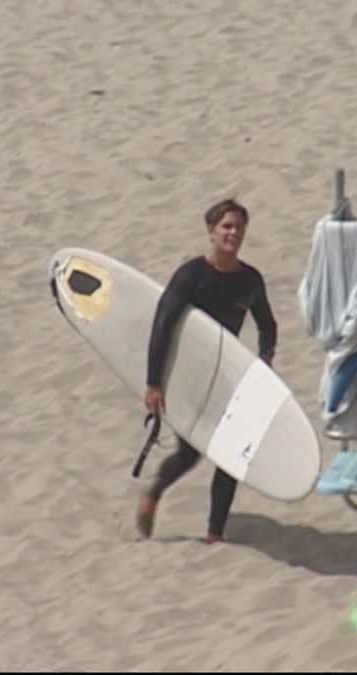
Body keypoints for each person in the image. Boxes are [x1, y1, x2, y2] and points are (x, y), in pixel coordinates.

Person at [136, 198, 277, 544]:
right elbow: (162, 326)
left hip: (227, 376)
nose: (233, 233)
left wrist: (264, 361)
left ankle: (215, 533)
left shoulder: (250, 280)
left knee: (230, 457)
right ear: (211, 232)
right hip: (189, 375)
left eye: (239, 228)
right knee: (189, 453)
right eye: (226, 227)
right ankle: (153, 493)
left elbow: (268, 325)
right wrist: (154, 382)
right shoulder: (191, 276)